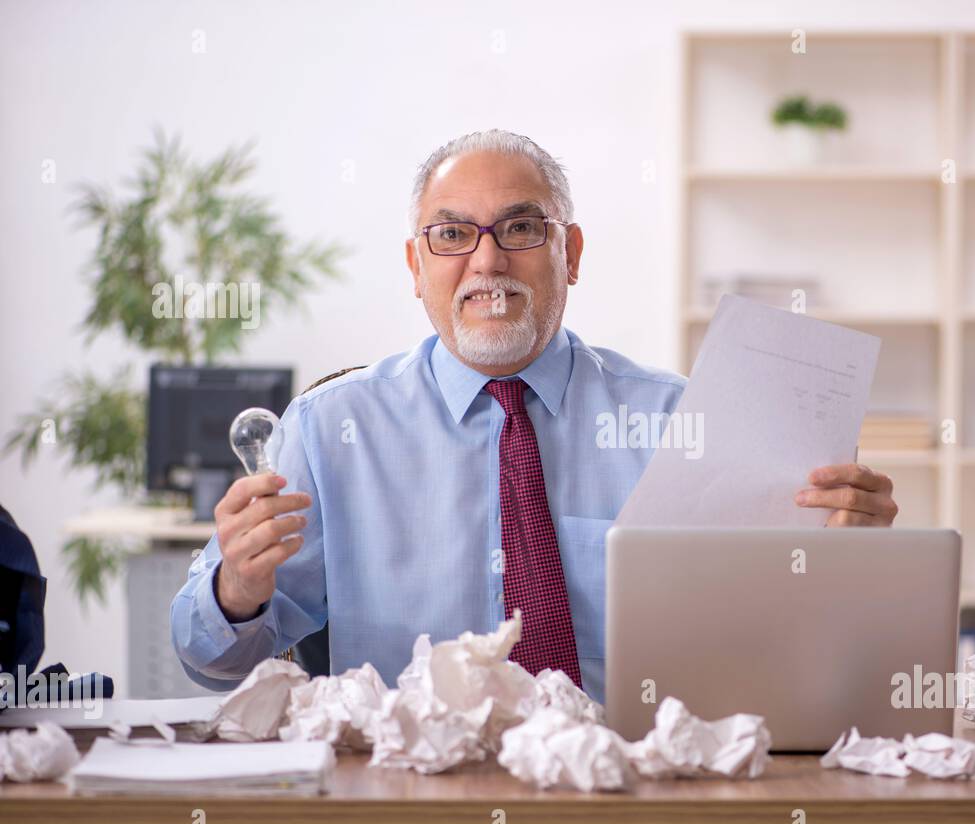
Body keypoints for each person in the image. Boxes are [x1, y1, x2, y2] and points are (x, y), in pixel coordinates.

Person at [171, 130, 898, 703]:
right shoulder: (330, 431)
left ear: (569, 253)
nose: (487, 261)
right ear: (415, 266)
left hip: (628, 802)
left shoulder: (682, 420)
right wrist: (237, 587)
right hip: (406, 807)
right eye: (451, 235)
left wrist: (841, 560)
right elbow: (208, 660)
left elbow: (788, 645)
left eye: (520, 227)